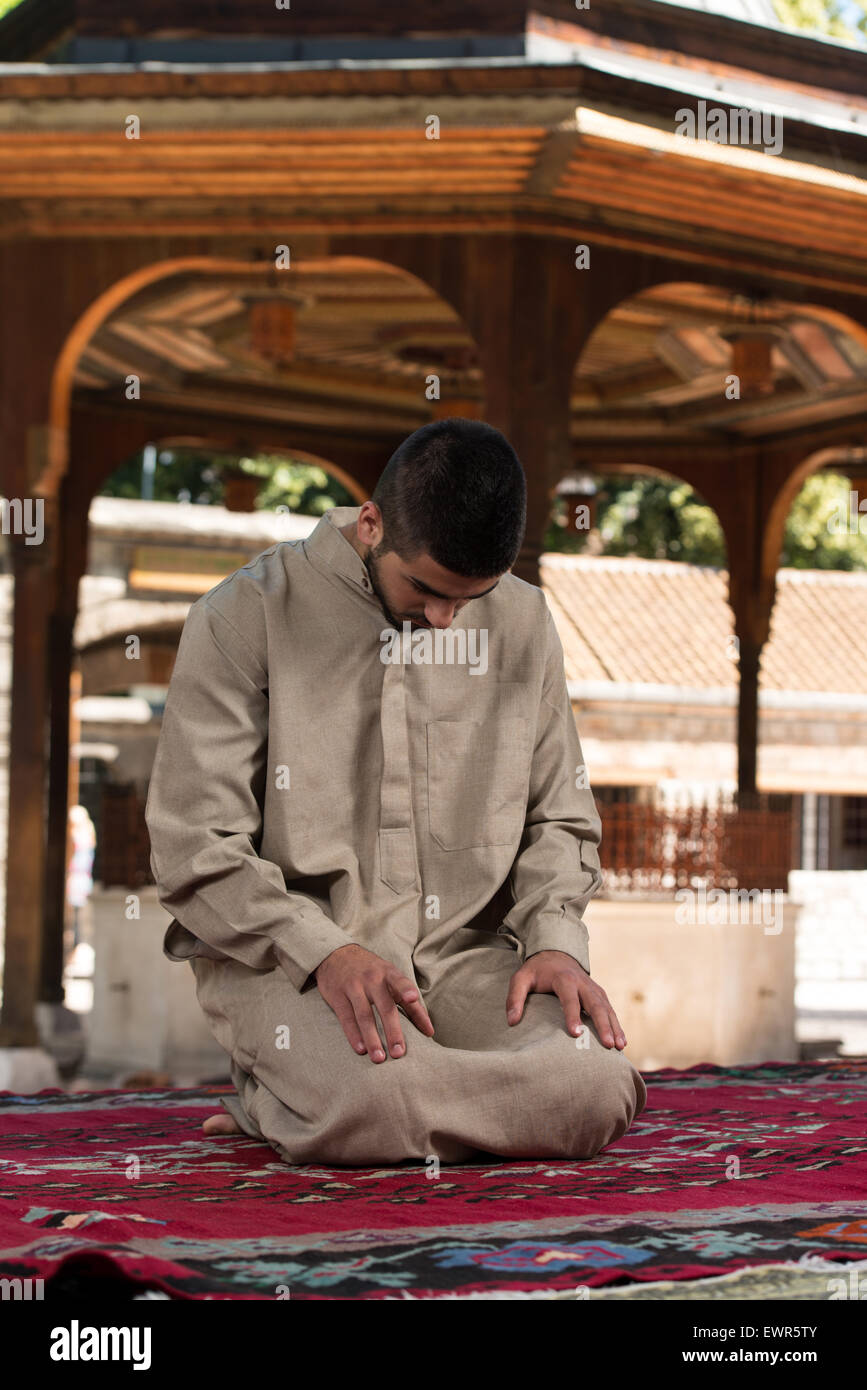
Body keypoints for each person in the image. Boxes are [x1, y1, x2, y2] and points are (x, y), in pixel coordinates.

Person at [145, 419, 647, 1165]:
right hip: (291, 962)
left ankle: (313, 1106)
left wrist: (554, 945)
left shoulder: (524, 619)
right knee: (375, 1100)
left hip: (462, 957)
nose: (445, 619)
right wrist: (325, 951)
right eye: (426, 589)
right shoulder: (240, 617)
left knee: (596, 1087)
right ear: (370, 523)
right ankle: (294, 1091)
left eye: (469, 600)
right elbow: (193, 847)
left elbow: (559, 816)